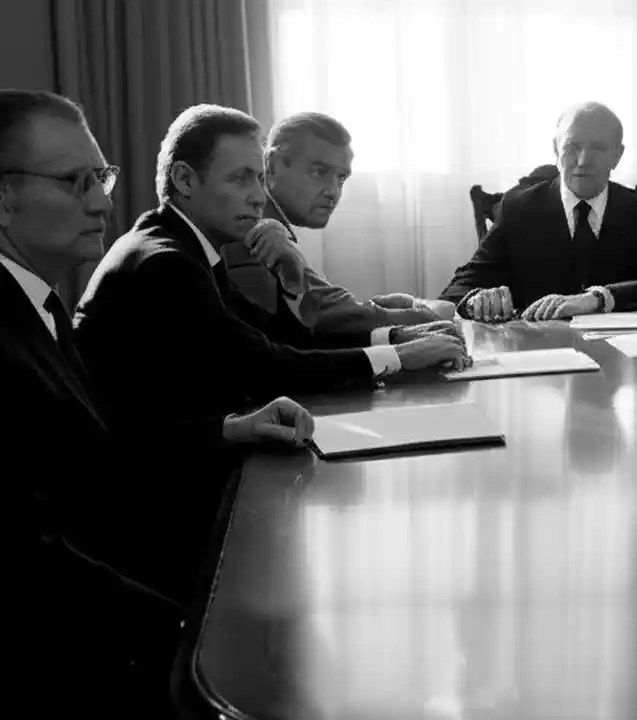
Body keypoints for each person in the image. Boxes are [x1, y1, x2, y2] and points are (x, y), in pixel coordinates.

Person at [0, 89, 313, 715]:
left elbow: (109, 439)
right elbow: (27, 558)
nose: (101, 201)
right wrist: (188, 632)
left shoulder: (38, 304)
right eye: (74, 181)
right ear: (2, 198)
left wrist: (231, 429)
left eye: (101, 176)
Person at [74, 104, 470, 441]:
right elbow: (266, 367)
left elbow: (275, 336)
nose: (259, 196)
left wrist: (397, 338)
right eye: (240, 178)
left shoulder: (186, 244)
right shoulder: (167, 262)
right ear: (184, 179)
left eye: (258, 178)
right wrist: (397, 356)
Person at [439, 101, 637, 322]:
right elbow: (456, 289)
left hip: (620, 354)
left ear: (617, 156)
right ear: (556, 149)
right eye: (572, 146)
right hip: (540, 352)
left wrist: (598, 298)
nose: (582, 160)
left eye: (598, 148)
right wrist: (476, 299)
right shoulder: (518, 208)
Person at [224, 111, 456, 342]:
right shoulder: (255, 226)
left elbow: (319, 303)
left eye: (341, 178)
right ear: (272, 166)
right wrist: (423, 312)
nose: (333, 191)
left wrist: (393, 306)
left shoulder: (266, 221)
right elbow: (327, 318)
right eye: (319, 172)